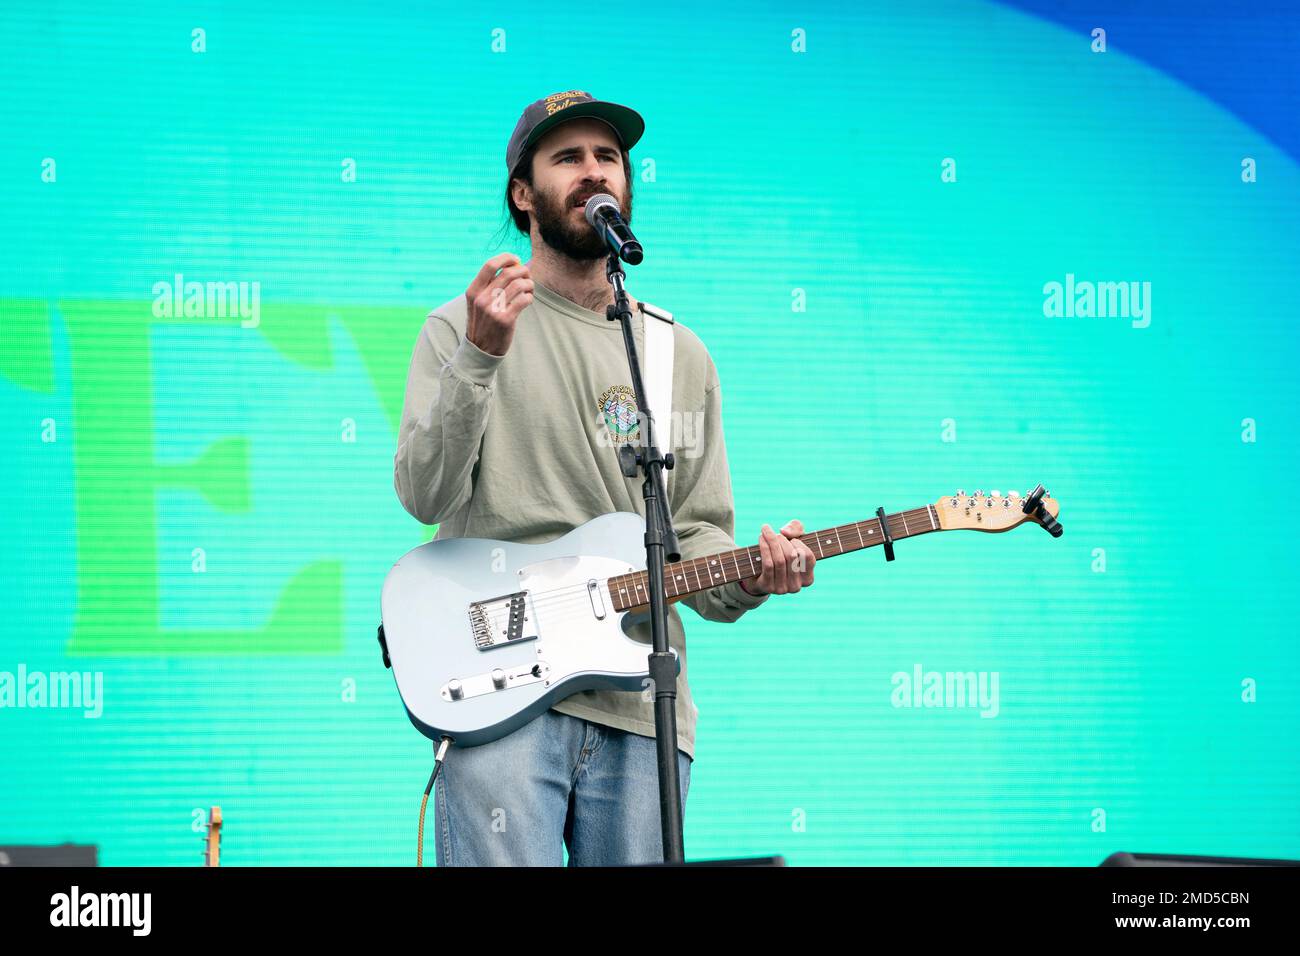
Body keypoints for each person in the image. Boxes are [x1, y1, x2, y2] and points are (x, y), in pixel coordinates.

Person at [393, 90, 816, 866]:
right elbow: (424, 492)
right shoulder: (461, 324)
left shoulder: (673, 352)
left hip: (642, 710)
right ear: (523, 193)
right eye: (568, 158)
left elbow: (695, 540)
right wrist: (482, 356)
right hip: (501, 694)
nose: (595, 172)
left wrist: (756, 574)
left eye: (608, 157)